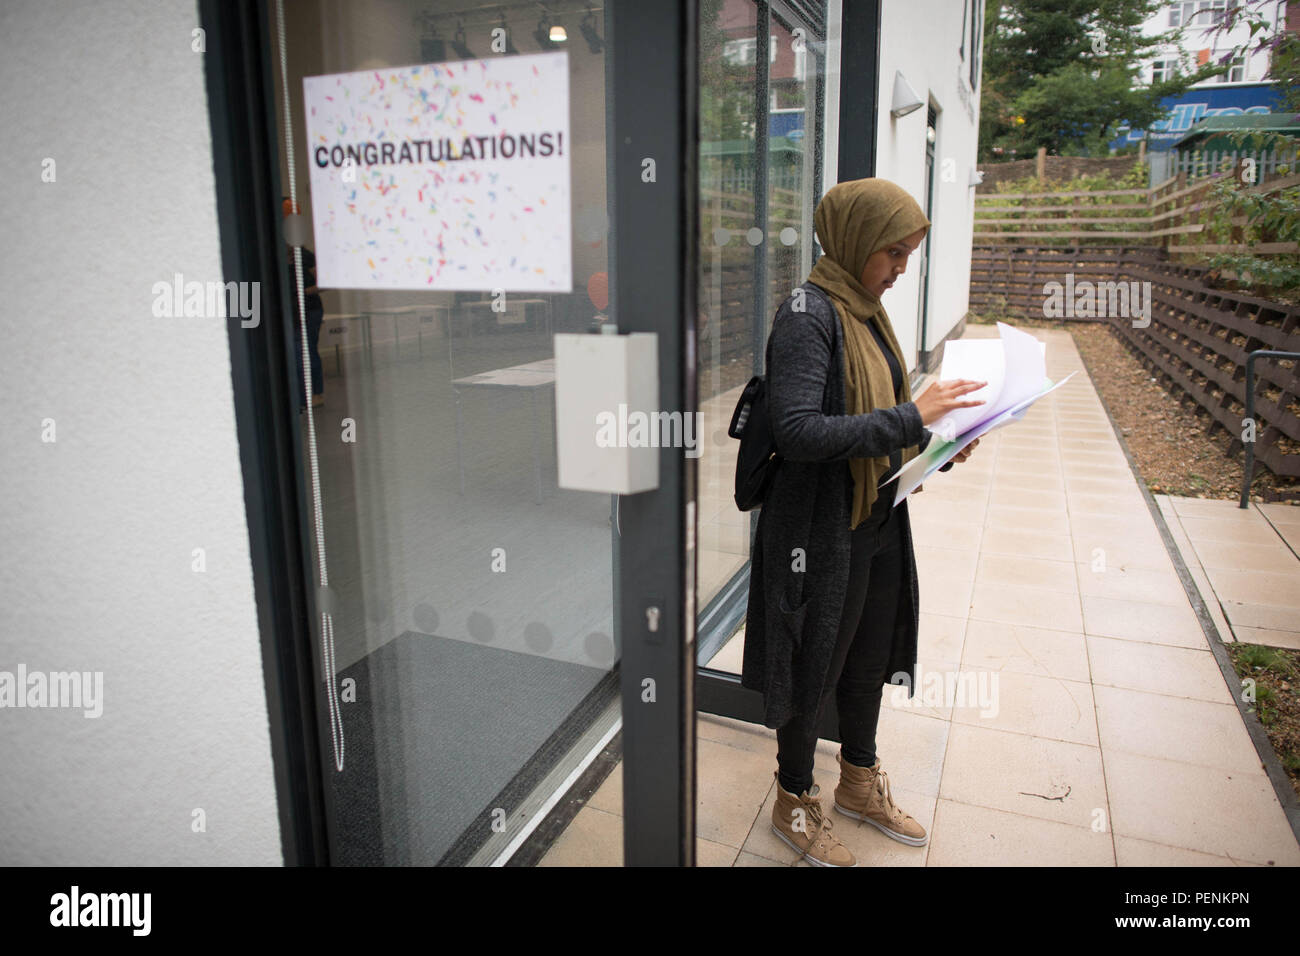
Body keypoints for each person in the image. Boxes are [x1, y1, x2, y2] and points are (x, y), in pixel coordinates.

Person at [740, 178, 984, 868]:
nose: (902, 269)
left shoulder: (866, 309)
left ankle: (856, 783)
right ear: (854, 243)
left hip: (876, 514)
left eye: (908, 254)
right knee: (811, 664)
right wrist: (913, 418)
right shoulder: (807, 315)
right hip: (818, 529)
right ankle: (793, 799)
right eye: (894, 253)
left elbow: (880, 415)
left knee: (869, 655)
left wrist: (937, 445)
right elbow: (797, 431)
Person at [283, 198, 324, 409]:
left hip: (310, 310)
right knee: (298, 353)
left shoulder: (306, 257)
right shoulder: (283, 258)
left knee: (307, 351)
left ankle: (316, 393)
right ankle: (302, 397)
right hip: (294, 312)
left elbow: (323, 284)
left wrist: (302, 292)